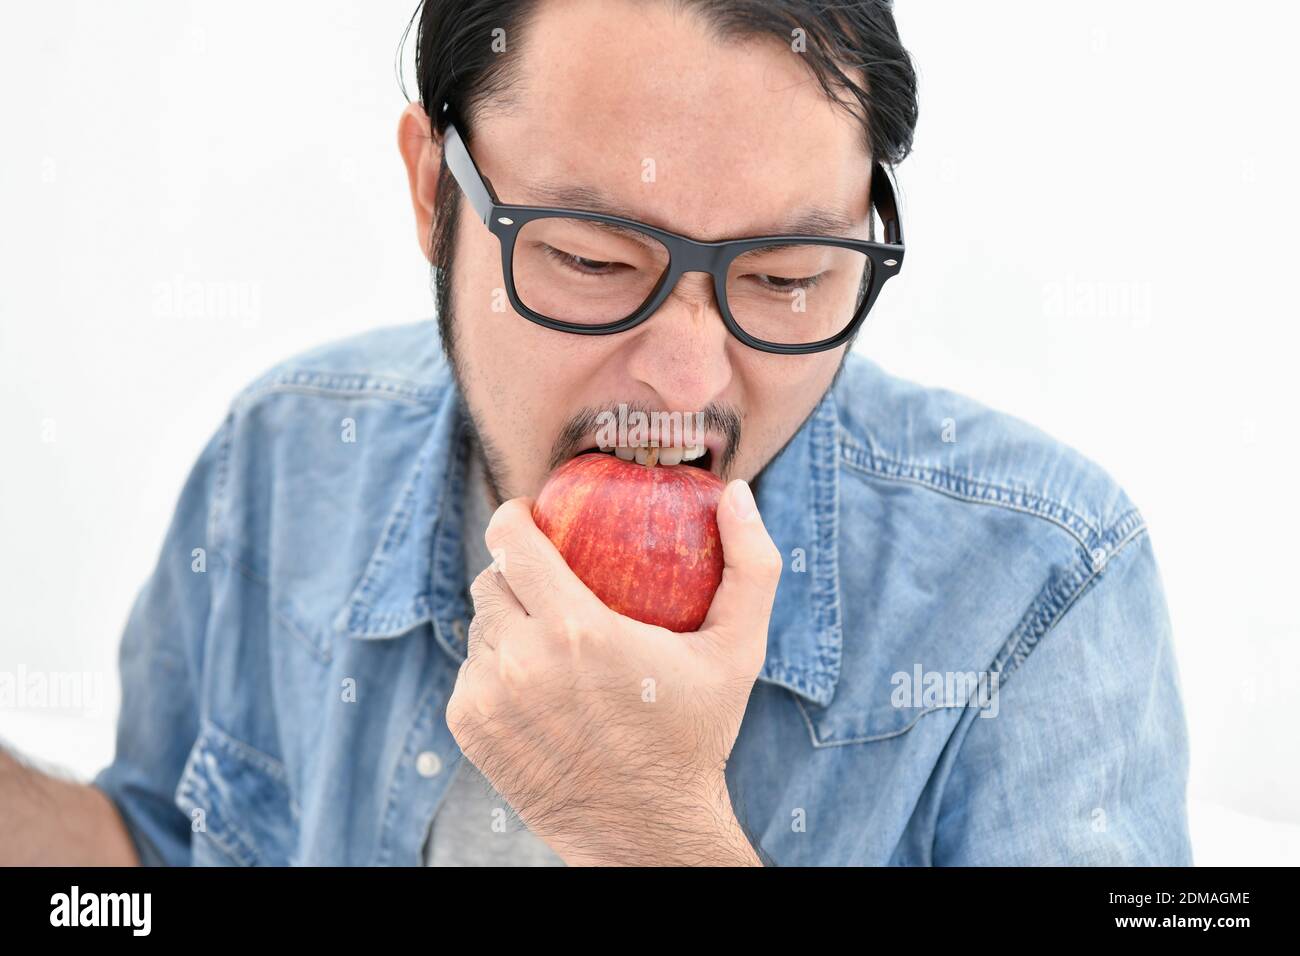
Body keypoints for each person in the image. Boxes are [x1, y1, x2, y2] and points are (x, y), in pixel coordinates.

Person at [1, 0, 1191, 866]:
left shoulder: (1042, 582)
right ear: (433, 192)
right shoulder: (281, 455)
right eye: (591, 259)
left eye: (784, 276)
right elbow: (149, 863)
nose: (684, 378)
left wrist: (650, 831)